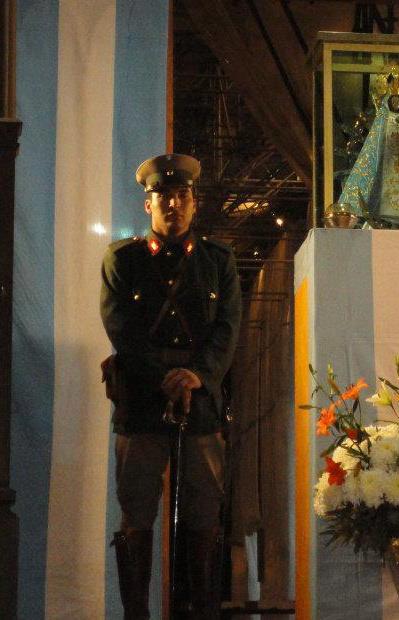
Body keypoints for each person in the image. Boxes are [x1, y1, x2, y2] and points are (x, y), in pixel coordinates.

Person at [100, 154, 241, 619]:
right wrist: (165, 376)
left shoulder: (218, 261)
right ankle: (136, 614)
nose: (173, 205)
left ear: (194, 204)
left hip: (200, 399)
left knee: (204, 513)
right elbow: (121, 329)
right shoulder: (123, 260)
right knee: (136, 512)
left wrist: (197, 375)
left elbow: (227, 328)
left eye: (182, 196)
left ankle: (201, 612)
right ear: (148, 205)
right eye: (164, 197)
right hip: (142, 400)